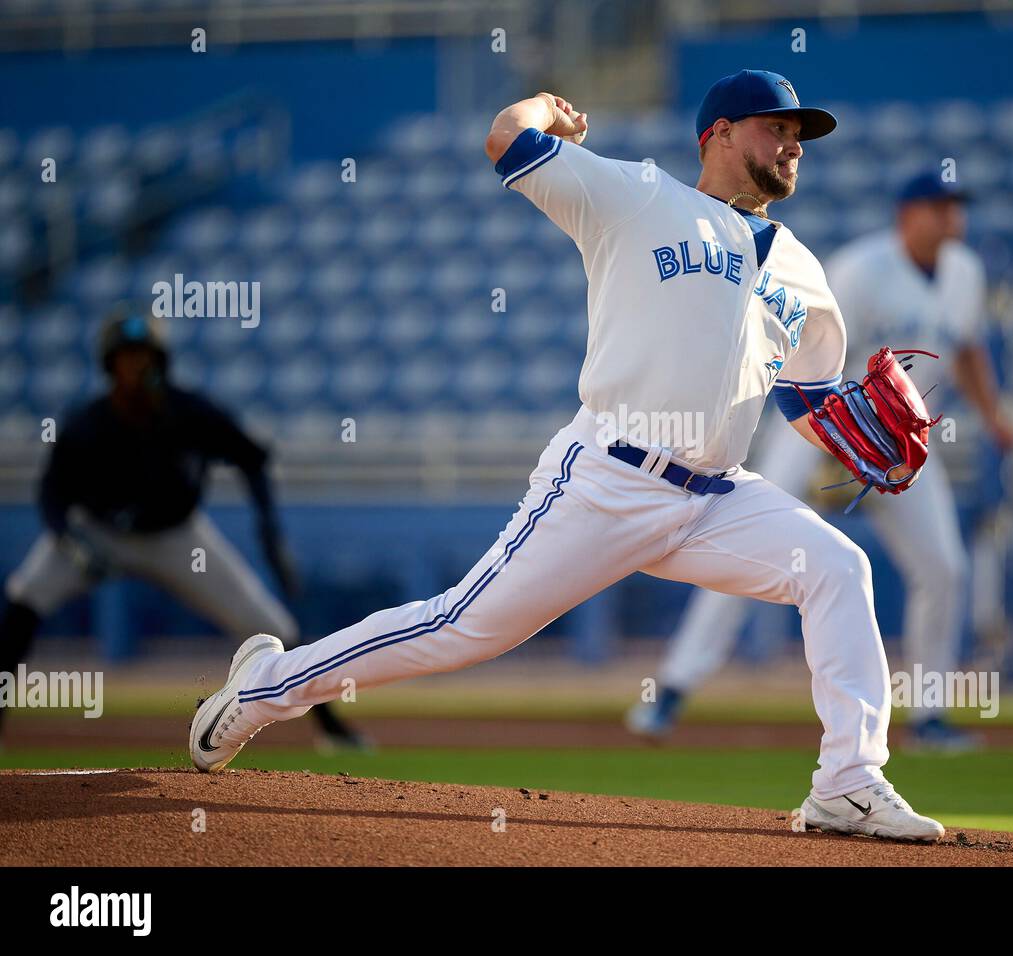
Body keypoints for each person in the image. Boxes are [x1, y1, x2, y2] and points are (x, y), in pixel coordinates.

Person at [190, 71, 945, 841]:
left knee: (838, 566)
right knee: (457, 627)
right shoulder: (638, 197)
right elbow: (504, 140)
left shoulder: (805, 272)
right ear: (717, 133)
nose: (792, 144)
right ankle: (265, 686)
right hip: (607, 480)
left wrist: (860, 442)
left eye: (800, 135)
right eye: (775, 127)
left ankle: (848, 782)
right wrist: (546, 108)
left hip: (715, 497)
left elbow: (807, 399)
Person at [626, 171, 1013, 751]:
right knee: (747, 550)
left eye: (956, 207)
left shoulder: (964, 272)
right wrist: (832, 434)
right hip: (819, 427)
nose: (951, 218)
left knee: (944, 567)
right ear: (907, 214)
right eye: (939, 206)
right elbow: (805, 346)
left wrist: (994, 415)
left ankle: (929, 714)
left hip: (898, 443)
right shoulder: (862, 269)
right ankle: (676, 689)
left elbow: (967, 349)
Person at [0, 303, 365, 750]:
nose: (135, 367)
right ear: (109, 367)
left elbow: (252, 458)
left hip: (176, 537)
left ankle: (332, 729)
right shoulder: (86, 423)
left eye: (143, 356)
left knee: (272, 627)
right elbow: (51, 493)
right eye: (126, 358)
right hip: (97, 533)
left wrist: (271, 536)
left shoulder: (187, 411)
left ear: (159, 362)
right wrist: (69, 540)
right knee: (21, 601)